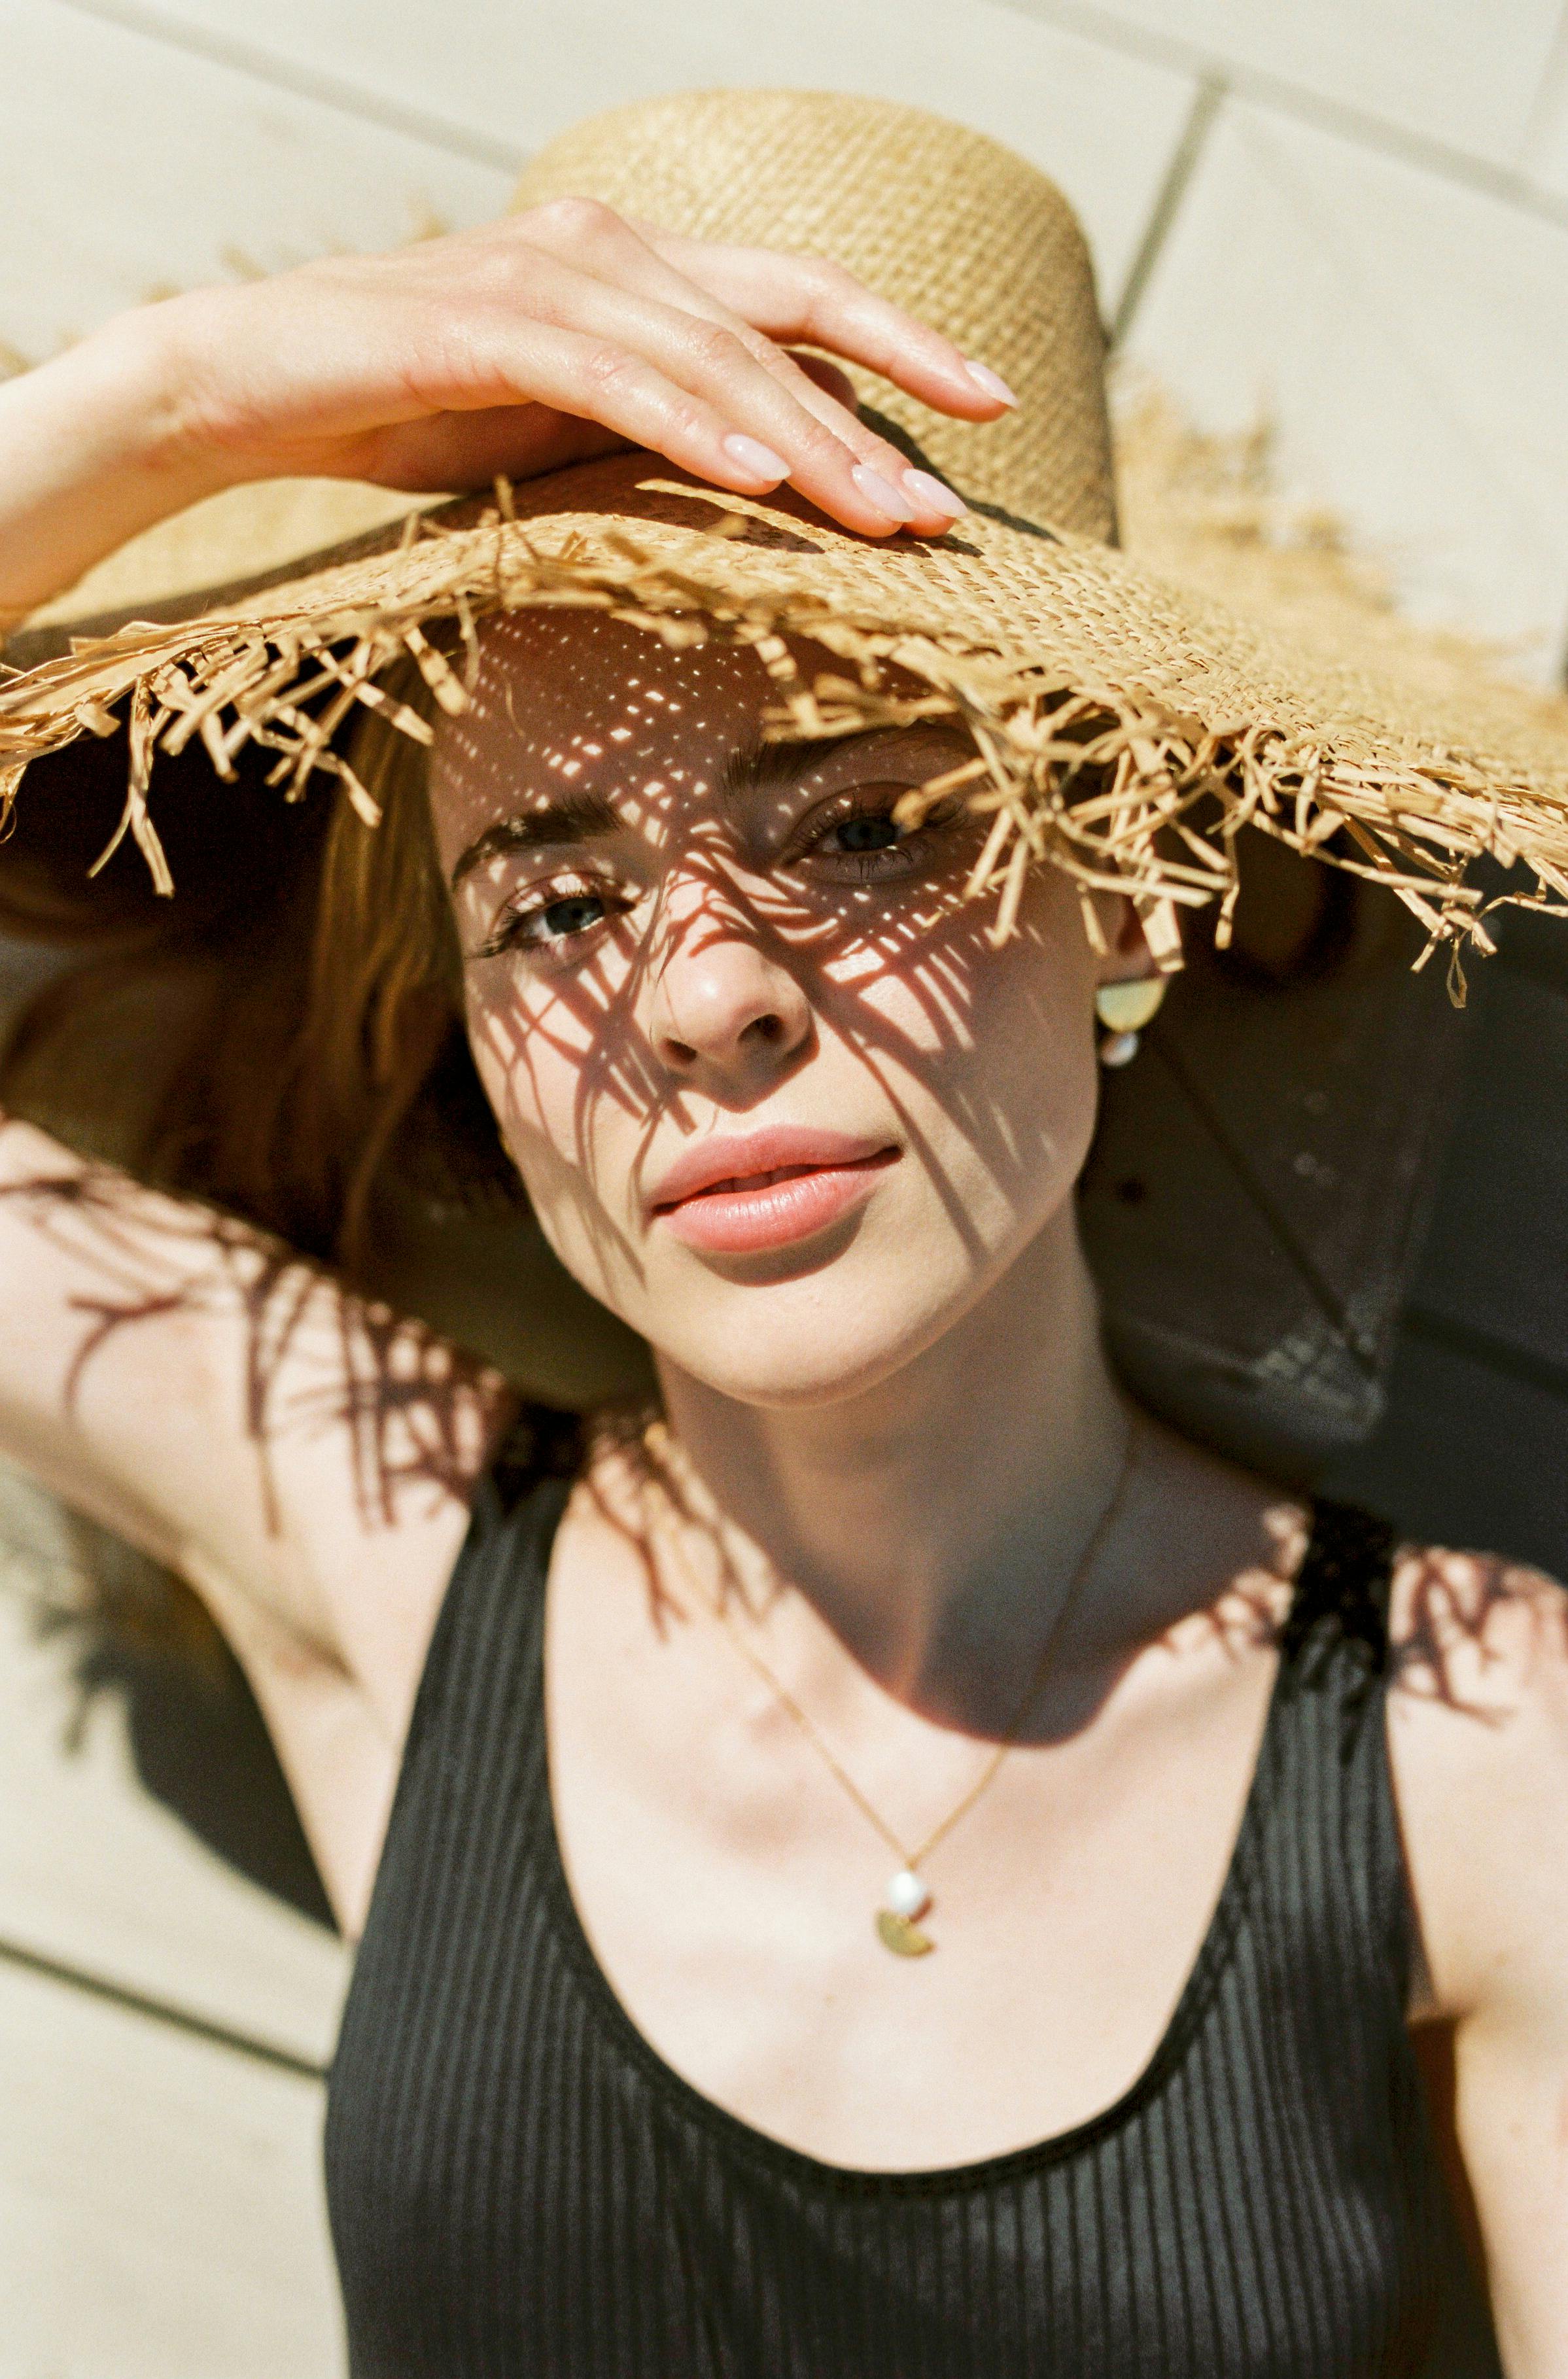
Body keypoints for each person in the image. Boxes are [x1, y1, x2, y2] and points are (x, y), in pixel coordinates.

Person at [1, 83, 1565, 2379]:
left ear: (1127, 877)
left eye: (854, 832)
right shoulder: (382, 1540)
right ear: (472, 1025)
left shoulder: (1480, 1748)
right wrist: (183, 397)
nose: (703, 994)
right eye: (554, 904)